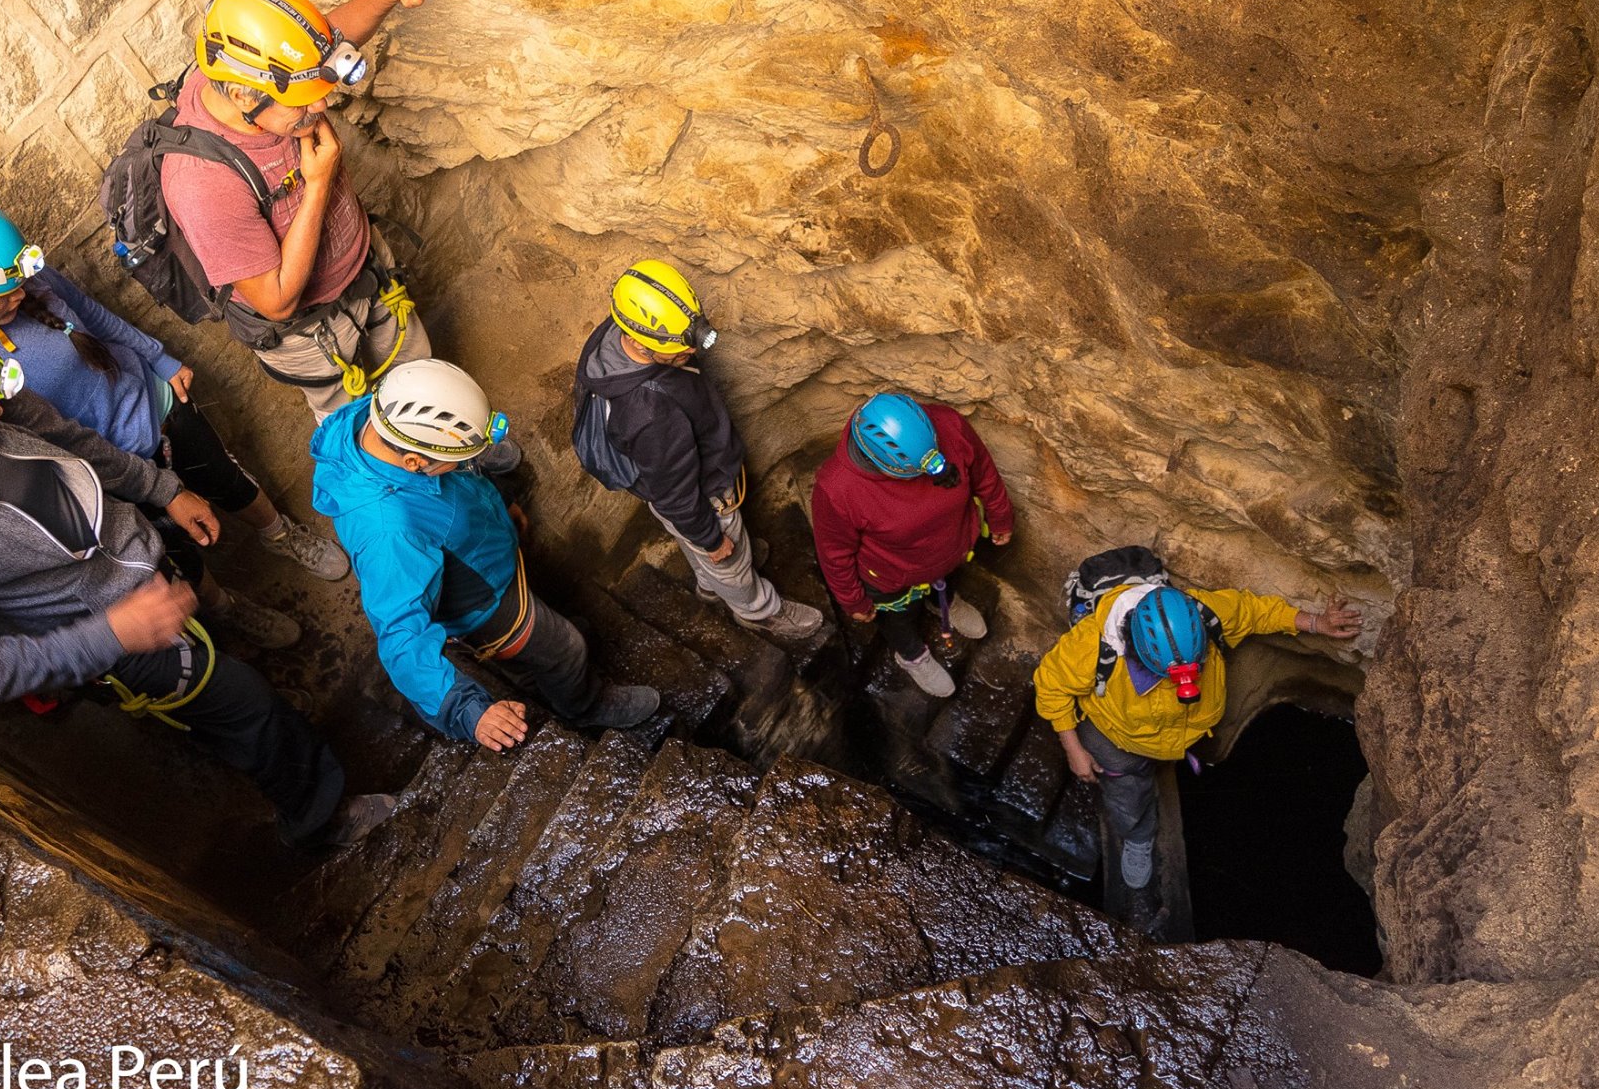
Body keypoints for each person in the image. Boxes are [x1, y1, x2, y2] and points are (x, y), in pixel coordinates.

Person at [0, 305, 393, 848]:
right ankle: (320, 817)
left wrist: (164, 489)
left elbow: (71, 440)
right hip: (102, 635)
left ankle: (236, 705)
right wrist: (115, 633)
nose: (2, 412)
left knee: (227, 686)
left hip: (131, 559)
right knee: (247, 706)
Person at [0, 188, 348, 650]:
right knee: (172, 548)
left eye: (20, 283)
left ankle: (281, 535)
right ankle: (226, 607)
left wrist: (160, 361)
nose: (22, 294)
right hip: (108, 472)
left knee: (226, 478)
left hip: (153, 409)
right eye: (6, 294)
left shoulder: (26, 278)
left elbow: (92, 314)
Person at [162, 0, 508, 475]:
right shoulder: (201, 182)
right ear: (242, 94)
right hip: (309, 332)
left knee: (417, 376)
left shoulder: (254, 72)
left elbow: (327, 42)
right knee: (357, 427)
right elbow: (277, 300)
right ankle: (402, 486)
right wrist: (318, 184)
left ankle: (456, 450)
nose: (324, 101)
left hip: (365, 272)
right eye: (304, 98)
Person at [311, 358, 658, 750]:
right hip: (484, 605)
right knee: (568, 646)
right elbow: (400, 639)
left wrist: (500, 502)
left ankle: (535, 672)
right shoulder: (390, 532)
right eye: (455, 460)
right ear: (414, 462)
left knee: (545, 642)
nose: (463, 464)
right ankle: (584, 705)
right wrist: (467, 710)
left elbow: (452, 486)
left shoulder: (377, 419)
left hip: (483, 561)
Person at [1033, 570, 1362, 889]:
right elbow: (1050, 686)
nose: (1188, 682)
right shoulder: (1091, 647)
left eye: (1195, 666)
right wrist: (1074, 749)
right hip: (1118, 741)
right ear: (1137, 650)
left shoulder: (1203, 613)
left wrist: (1316, 622)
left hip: (1183, 733)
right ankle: (1137, 837)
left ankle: (1173, 755)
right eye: (1172, 673)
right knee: (1128, 795)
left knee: (1154, 764)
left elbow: (1253, 612)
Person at [572, 260, 822, 639]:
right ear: (639, 342)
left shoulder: (617, 332)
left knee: (702, 547)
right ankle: (758, 610)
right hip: (701, 501)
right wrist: (712, 539)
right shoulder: (651, 414)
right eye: (678, 348)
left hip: (673, 487)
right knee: (729, 559)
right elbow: (676, 496)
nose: (690, 350)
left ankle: (709, 584)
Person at [810, 393, 1015, 698]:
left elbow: (984, 471)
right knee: (899, 618)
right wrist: (853, 601)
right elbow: (834, 554)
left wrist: (1000, 516)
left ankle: (944, 604)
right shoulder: (838, 489)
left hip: (951, 547)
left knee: (948, 578)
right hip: (891, 576)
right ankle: (912, 656)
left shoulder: (948, 425)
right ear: (885, 466)